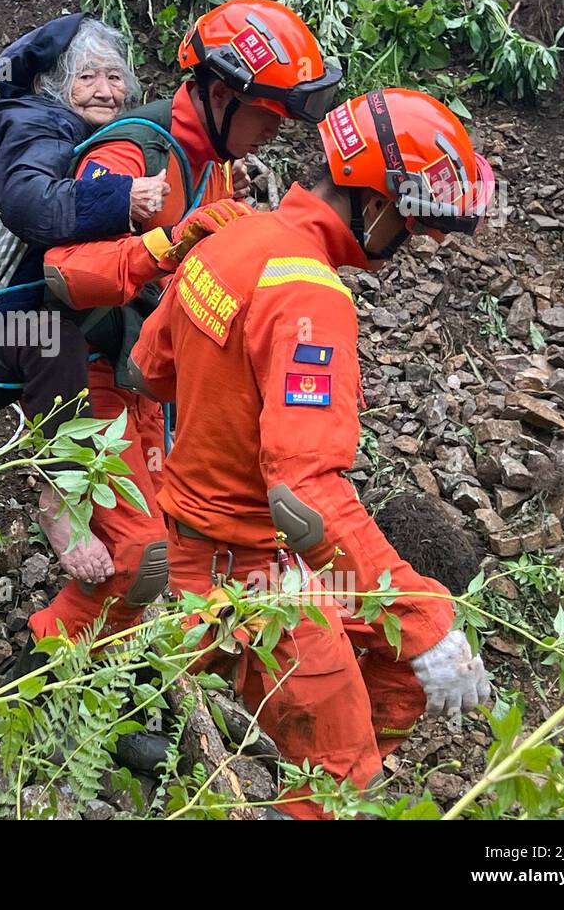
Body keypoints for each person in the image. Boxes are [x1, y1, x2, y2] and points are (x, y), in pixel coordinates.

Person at [129, 87, 495, 818]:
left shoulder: (233, 234)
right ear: (378, 201)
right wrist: (424, 620)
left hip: (195, 550)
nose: (412, 244)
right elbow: (301, 498)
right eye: (414, 225)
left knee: (404, 670)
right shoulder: (309, 294)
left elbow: (147, 367)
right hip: (256, 573)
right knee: (340, 769)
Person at [29, 0, 342, 649]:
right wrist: (167, 243)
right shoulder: (132, 150)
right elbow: (64, 270)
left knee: (156, 556)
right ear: (223, 93)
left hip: (145, 378)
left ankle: (69, 667)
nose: (276, 132)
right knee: (144, 551)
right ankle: (41, 677)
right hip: (88, 369)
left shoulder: (216, 164)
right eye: (270, 114)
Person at [0, 15, 164, 625]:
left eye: (116, 76)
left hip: (24, 329)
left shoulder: (90, 140)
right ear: (56, 85)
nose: (107, 90)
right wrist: (121, 199)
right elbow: (31, 204)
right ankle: (59, 495)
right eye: (88, 77)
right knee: (52, 333)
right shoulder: (35, 128)